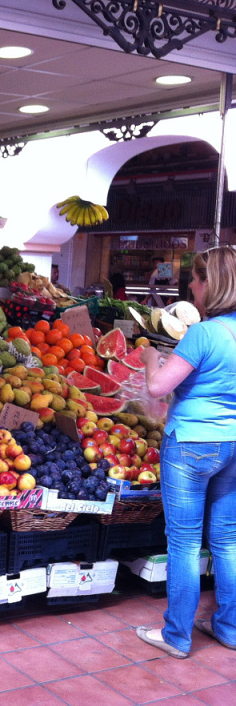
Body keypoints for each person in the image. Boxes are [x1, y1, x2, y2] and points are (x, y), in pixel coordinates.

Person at [135, 245, 236, 659]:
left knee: (184, 542)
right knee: (227, 540)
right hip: (233, 444)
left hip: (191, 445)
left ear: (212, 283)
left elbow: (157, 387)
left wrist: (150, 358)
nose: (192, 287)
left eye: (195, 280)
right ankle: (229, 628)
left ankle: (177, 635)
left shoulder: (203, 334)